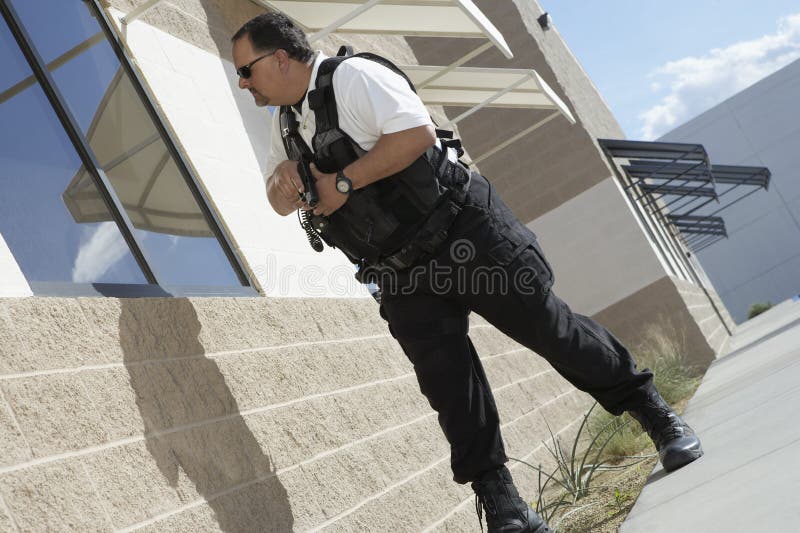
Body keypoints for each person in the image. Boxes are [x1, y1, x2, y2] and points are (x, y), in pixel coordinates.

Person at [232, 12, 703, 533]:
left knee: (549, 328)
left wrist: (341, 183)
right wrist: (283, 181)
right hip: (399, 270)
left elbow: (415, 135)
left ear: (280, 58)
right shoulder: (285, 125)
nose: (244, 83)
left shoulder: (354, 77)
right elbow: (278, 200)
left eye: (246, 71)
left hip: (463, 232)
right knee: (449, 387)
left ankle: (654, 413)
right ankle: (505, 506)